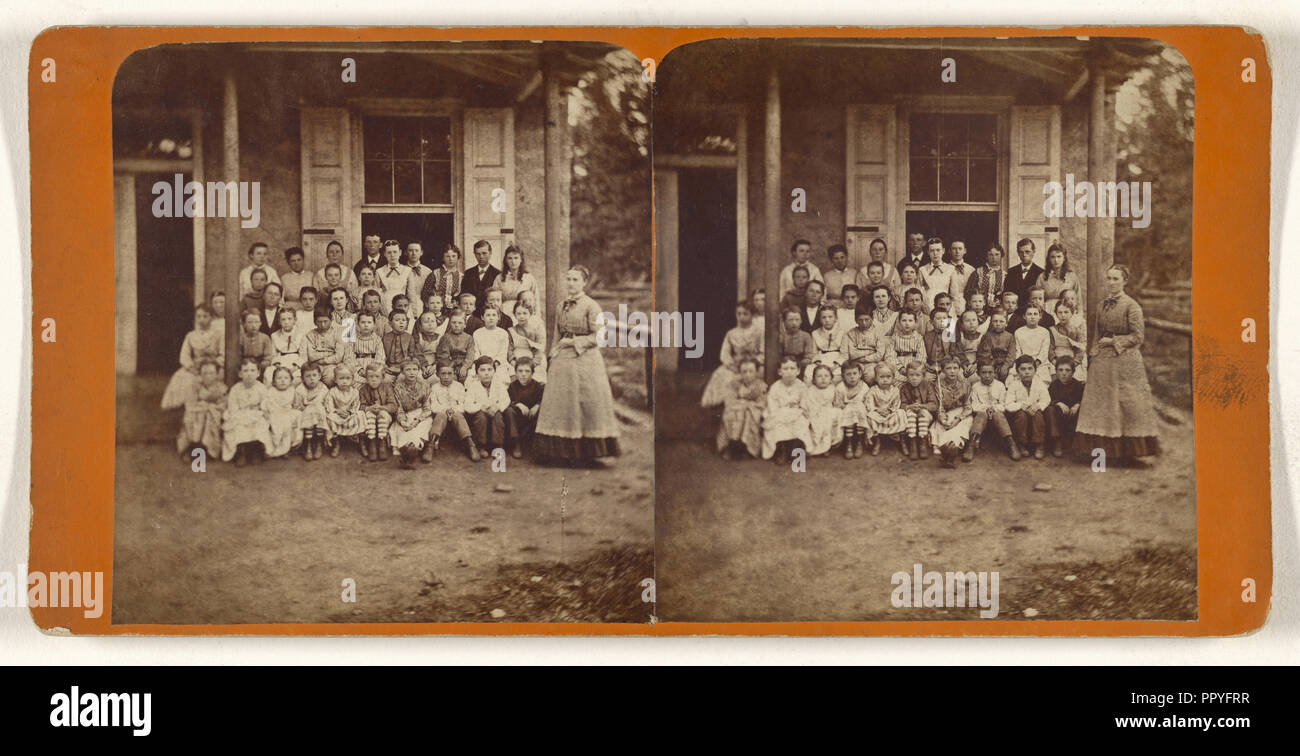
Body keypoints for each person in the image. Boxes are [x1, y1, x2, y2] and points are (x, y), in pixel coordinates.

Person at [532, 265, 622, 465]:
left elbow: (600, 335)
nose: (571, 283)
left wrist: (574, 342)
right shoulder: (560, 305)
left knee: (583, 404)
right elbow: (556, 332)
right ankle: (561, 453)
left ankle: (586, 453)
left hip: (585, 360)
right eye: (568, 279)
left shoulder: (592, 306)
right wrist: (552, 353)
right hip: (562, 359)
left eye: (575, 280)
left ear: (584, 283)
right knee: (561, 404)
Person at [1074, 264, 1161, 463]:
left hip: (1125, 360)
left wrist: (1114, 341)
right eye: (1109, 278)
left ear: (1125, 281)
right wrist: (1094, 351)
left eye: (1116, 279)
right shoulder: (1102, 304)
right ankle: (1103, 453)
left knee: (1126, 403)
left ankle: (1129, 452)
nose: (1111, 282)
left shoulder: (1132, 306)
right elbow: (1097, 330)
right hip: (1103, 360)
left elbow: (1138, 336)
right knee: (1102, 405)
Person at [161, 304, 225, 410]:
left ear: (211, 318)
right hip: (196, 366)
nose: (201, 319)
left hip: (214, 365)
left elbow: (223, 353)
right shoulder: (191, 336)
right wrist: (191, 366)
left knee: (213, 378)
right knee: (183, 377)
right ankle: (187, 407)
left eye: (205, 316)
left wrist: (216, 363)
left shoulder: (218, 334)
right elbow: (184, 356)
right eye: (198, 316)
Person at [701, 301, 763, 407]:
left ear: (752, 315)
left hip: (753, 364)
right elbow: (725, 353)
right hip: (735, 364)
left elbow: (763, 352)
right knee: (720, 374)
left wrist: (756, 361)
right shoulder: (731, 333)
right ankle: (721, 405)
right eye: (738, 314)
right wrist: (731, 365)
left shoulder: (759, 332)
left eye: (745, 314)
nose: (741, 317)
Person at [221, 358, 272, 466]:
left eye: (252, 370)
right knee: (238, 427)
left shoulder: (261, 388)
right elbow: (232, 407)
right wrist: (240, 415)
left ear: (258, 373)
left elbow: (265, 404)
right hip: (241, 414)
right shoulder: (236, 389)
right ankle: (241, 452)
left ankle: (256, 451)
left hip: (256, 414)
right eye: (245, 371)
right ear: (240, 374)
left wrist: (262, 411)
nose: (249, 374)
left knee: (260, 425)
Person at [176, 359, 226, 461]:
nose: (208, 376)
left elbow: (223, 404)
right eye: (205, 373)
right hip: (197, 413)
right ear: (200, 375)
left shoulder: (221, 388)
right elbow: (190, 404)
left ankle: (207, 448)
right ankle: (193, 445)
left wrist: (212, 407)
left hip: (213, 414)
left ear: (217, 374)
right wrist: (202, 407)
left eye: (211, 373)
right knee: (194, 418)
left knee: (209, 417)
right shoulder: (195, 387)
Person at [761, 357, 810, 462]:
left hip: (797, 412)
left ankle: (796, 449)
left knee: (801, 423)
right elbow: (772, 405)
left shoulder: (801, 386)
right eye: (785, 369)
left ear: (798, 371)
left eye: (792, 368)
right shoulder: (775, 387)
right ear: (779, 372)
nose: (789, 372)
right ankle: (782, 450)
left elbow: (804, 402)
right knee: (778, 426)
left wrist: (801, 409)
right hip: (780, 413)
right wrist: (781, 413)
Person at [717, 357, 765, 460]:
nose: (747, 375)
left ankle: (747, 447)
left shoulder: (760, 386)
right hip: (737, 409)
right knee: (733, 414)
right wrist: (741, 404)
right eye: (744, 372)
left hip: (753, 411)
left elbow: (762, 402)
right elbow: (729, 401)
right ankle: (733, 443)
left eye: (751, 371)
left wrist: (749, 405)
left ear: (756, 372)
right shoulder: (735, 384)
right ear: (740, 373)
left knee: (748, 415)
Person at [965, 361, 1014, 462]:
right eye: (983, 373)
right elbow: (974, 405)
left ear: (994, 372)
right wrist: (986, 409)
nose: (987, 376)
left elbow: (1004, 404)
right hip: (982, 417)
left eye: (990, 372)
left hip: (996, 416)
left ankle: (1011, 443)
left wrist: (994, 408)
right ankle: (971, 445)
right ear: (978, 373)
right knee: (981, 415)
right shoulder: (975, 387)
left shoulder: (1000, 386)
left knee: (999, 415)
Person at [1005, 354, 1050, 460]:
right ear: (1017, 371)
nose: (1027, 372)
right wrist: (1021, 405)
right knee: (1021, 416)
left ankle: (1039, 444)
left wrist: (1038, 405)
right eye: (1023, 369)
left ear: (1035, 370)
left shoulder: (1039, 383)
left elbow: (1046, 399)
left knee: (1038, 414)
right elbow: (1008, 404)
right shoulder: (1014, 385)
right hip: (1021, 414)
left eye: (1030, 368)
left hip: (1035, 413)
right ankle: (1021, 444)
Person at [464, 355, 511, 459]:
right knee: (480, 417)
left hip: (494, 415)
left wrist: (497, 406)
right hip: (480, 417)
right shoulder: (473, 386)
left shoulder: (498, 384)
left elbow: (506, 399)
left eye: (490, 369)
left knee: (498, 416)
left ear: (494, 371)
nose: (486, 373)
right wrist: (480, 407)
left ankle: (498, 446)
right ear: (477, 373)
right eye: (482, 370)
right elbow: (467, 405)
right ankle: (481, 446)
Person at [390, 359, 434, 467]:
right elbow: (398, 408)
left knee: (420, 428)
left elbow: (427, 408)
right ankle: (407, 451)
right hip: (405, 415)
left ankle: (414, 449)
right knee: (402, 430)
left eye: (415, 369)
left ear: (418, 371)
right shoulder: (398, 387)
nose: (411, 372)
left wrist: (417, 420)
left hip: (421, 415)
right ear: (402, 372)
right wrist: (403, 421)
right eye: (408, 369)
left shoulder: (425, 386)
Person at [931, 356, 973, 468]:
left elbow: (968, 406)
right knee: (942, 426)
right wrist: (942, 418)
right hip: (946, 413)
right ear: (943, 370)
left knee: (961, 427)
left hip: (962, 413)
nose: (952, 371)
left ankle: (952, 449)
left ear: (959, 369)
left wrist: (959, 418)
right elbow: (939, 406)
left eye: (955, 368)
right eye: (948, 368)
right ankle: (947, 449)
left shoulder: (965, 383)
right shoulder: (938, 385)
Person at [428, 361, 474, 460]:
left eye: (449, 374)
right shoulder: (434, 387)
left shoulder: (459, 386)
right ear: (437, 374)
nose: (446, 377)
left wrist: (453, 410)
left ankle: (470, 444)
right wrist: (445, 410)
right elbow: (433, 405)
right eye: (443, 374)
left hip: (456, 415)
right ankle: (431, 445)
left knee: (458, 416)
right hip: (441, 416)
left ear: (454, 374)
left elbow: (463, 403)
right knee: (441, 416)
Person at [357, 361, 398, 461]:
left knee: (382, 415)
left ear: (383, 378)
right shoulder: (363, 390)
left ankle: (382, 441)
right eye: (370, 377)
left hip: (384, 414)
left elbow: (393, 406)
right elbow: (360, 405)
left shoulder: (387, 388)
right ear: (366, 378)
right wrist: (368, 408)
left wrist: (382, 407)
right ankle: (371, 443)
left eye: (377, 376)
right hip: (369, 415)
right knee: (370, 416)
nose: (374, 379)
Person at [504, 357, 544, 458]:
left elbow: (542, 399)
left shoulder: (538, 386)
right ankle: (516, 443)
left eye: (527, 371)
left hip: (532, 420)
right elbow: (506, 401)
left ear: (532, 373)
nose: (523, 374)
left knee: (542, 411)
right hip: (518, 421)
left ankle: (538, 447)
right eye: (520, 371)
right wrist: (517, 404)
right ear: (515, 372)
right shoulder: (512, 386)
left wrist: (537, 405)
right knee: (509, 411)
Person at [865, 362, 908, 456]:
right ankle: (877, 441)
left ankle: (902, 441)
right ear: (876, 378)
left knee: (901, 413)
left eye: (888, 377)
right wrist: (877, 410)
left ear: (893, 378)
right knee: (870, 416)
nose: (885, 380)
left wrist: (890, 410)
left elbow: (897, 404)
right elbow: (869, 404)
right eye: (882, 377)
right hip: (878, 413)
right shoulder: (873, 390)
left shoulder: (895, 390)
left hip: (890, 413)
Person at [899, 360, 938, 460]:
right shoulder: (904, 388)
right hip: (910, 413)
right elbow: (902, 404)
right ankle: (912, 442)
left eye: (918, 375)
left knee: (922, 414)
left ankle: (922, 441)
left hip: (925, 414)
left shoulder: (928, 386)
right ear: (907, 376)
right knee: (910, 415)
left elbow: (934, 405)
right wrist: (909, 407)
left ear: (923, 376)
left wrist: (922, 406)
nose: (914, 378)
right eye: (911, 375)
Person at [324, 364, 366, 458]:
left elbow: (356, 405)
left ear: (352, 380)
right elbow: (329, 405)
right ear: (335, 380)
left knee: (361, 415)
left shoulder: (354, 392)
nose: (344, 381)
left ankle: (362, 442)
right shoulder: (333, 391)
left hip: (349, 414)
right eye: (341, 378)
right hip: (338, 414)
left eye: (348, 378)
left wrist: (350, 412)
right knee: (329, 418)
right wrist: (337, 411)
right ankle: (336, 442)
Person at [1047, 356, 1084, 457]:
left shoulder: (1078, 385)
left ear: (1073, 372)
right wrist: (1058, 403)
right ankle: (1057, 442)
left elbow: (1083, 399)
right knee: (1050, 410)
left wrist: (1077, 405)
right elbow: (1047, 400)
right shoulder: (1053, 385)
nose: (1064, 373)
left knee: (1083, 409)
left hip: (1073, 416)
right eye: (1060, 370)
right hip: (1059, 417)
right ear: (1056, 371)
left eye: (1068, 370)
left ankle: (1078, 444)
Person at [263, 367, 303, 459]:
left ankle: (288, 447)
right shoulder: (271, 391)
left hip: (288, 413)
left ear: (290, 380)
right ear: (273, 381)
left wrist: (297, 406)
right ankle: (277, 448)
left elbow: (296, 404)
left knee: (298, 415)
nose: (283, 381)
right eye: (279, 378)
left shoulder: (292, 390)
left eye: (286, 378)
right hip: (275, 413)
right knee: (279, 423)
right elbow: (268, 405)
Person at [834, 361, 871, 458]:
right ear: (843, 376)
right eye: (848, 374)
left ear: (860, 374)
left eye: (855, 373)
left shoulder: (864, 387)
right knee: (849, 412)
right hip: (846, 411)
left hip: (860, 411)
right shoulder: (840, 387)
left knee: (860, 410)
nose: (852, 377)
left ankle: (859, 442)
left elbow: (868, 402)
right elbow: (838, 403)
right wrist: (844, 406)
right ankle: (849, 444)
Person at [301, 306, 345, 386]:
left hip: (331, 365)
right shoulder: (310, 335)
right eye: (319, 322)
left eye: (325, 321)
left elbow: (338, 356)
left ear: (331, 320)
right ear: (314, 322)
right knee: (311, 379)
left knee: (331, 378)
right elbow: (311, 356)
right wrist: (329, 354)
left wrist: (324, 360)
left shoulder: (338, 333)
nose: (323, 324)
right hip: (314, 365)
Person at [296, 363, 330, 460]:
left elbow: (327, 403)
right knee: (309, 413)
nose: (312, 378)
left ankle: (319, 444)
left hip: (320, 415)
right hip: (306, 416)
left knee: (318, 410)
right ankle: (308, 444)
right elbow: (298, 406)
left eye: (314, 375)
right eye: (308, 376)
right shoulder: (300, 389)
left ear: (319, 376)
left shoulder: (323, 388)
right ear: (302, 378)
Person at [508, 300, 548, 384]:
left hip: (532, 360)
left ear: (530, 314)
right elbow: (509, 349)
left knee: (538, 376)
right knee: (511, 374)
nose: (521, 316)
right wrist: (513, 361)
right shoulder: (511, 331)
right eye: (518, 314)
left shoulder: (536, 331)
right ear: (514, 314)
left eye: (525, 313)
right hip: (516, 360)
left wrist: (533, 363)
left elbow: (538, 350)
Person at [498, 244, 540, 322]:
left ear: (521, 260)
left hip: (524, 316)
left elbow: (536, 300)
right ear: (506, 260)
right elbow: (495, 299)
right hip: (505, 315)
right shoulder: (499, 278)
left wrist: (536, 319)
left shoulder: (529, 278)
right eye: (510, 258)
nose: (513, 261)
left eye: (516, 258)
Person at [421, 244, 464, 318]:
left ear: (458, 257)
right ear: (443, 258)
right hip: (436, 310)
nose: (451, 259)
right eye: (447, 256)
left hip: (453, 310)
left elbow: (462, 295)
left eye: (453, 256)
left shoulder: (461, 276)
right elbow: (425, 293)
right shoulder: (435, 273)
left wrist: (455, 303)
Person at [461, 240, 501, 318]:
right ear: (475, 255)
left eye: (484, 253)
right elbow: (464, 294)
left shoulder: (497, 274)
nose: (481, 257)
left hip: (490, 315)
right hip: (472, 315)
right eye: (478, 254)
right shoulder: (468, 273)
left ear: (490, 253)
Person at [1041, 242, 1082, 316]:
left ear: (1064, 258)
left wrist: (1079, 316)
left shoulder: (1072, 276)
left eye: (1059, 256)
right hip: (1048, 313)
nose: (1056, 260)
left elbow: (1078, 300)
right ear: (1049, 259)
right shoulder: (1043, 277)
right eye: (1052, 257)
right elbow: (1038, 299)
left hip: (1067, 314)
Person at [266, 309, 304, 385]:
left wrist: (294, 368)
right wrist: (278, 367)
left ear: (295, 320)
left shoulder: (301, 334)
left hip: (295, 364)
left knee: (298, 377)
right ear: (279, 322)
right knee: (269, 373)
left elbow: (303, 355)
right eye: (283, 319)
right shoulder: (274, 335)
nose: (286, 322)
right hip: (280, 363)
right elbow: (273, 354)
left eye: (290, 319)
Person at [977, 309, 1016, 383]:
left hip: (1006, 365)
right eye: (995, 321)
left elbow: (1011, 354)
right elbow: (985, 354)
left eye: (1001, 321)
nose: (998, 324)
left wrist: (1005, 366)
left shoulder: (1010, 336)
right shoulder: (987, 336)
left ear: (1006, 323)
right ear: (991, 323)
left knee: (1010, 377)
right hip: (991, 365)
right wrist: (993, 368)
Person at [964, 242, 1006, 310]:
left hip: (997, 309)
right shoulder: (978, 272)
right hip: (979, 308)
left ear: (1001, 256)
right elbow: (968, 292)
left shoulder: (1004, 275)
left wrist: (999, 300)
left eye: (997, 254)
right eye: (991, 255)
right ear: (986, 256)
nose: (994, 258)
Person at [1004, 237, 1045, 304]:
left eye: (1027, 252)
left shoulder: (1041, 272)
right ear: (1018, 253)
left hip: (1032, 310)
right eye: (1021, 252)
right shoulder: (1011, 271)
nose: (1024, 255)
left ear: (1034, 252)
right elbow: (1007, 293)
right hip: (1015, 310)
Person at [404, 241, 434, 319]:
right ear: (406, 252)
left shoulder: (428, 272)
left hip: (423, 306)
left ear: (421, 252)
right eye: (410, 250)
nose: (414, 253)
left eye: (416, 250)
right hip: (406, 306)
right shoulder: (401, 270)